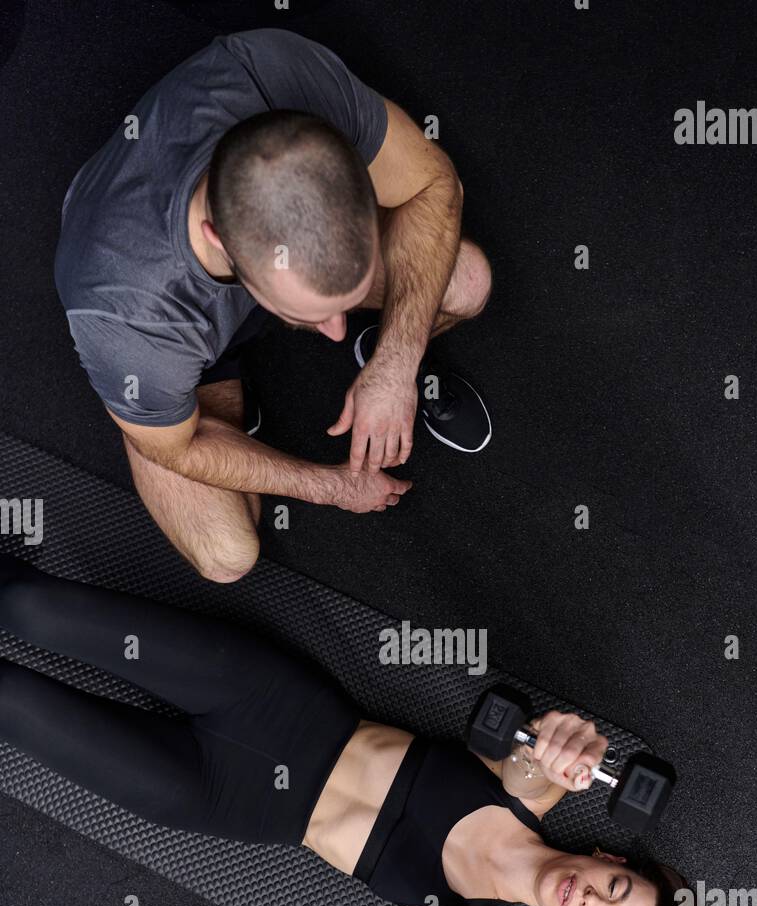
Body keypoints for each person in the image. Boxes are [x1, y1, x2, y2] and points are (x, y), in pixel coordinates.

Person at [0, 556, 701, 906]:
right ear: (610, 854)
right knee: (29, 606)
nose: (594, 900)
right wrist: (564, 740)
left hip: (230, 798)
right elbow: (533, 752)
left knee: (12, 704)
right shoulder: (530, 792)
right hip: (273, 703)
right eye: (617, 886)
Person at [54, 29, 493, 584]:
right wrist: (336, 487)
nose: (335, 333)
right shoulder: (125, 320)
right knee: (227, 553)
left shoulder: (275, 71)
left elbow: (432, 185)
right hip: (175, 348)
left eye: (344, 305)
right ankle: (150, 408)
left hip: (238, 279)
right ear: (218, 238)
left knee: (468, 281)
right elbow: (182, 451)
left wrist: (396, 361)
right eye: (316, 313)